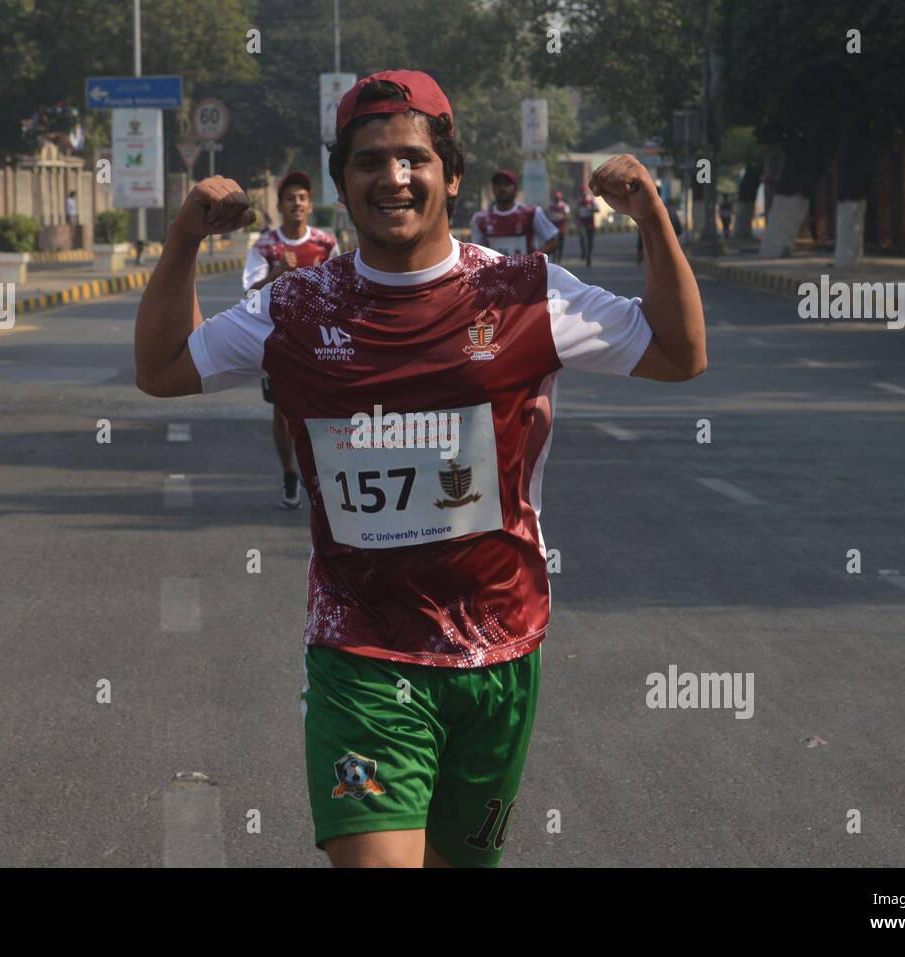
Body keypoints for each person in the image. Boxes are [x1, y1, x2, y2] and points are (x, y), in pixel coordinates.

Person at [134, 69, 706, 868]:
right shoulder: (298, 309)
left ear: (451, 174)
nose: (393, 177)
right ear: (342, 184)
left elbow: (681, 352)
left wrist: (651, 217)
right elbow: (161, 366)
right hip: (360, 652)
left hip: (498, 654)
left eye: (413, 158)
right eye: (369, 162)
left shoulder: (522, 294)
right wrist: (185, 237)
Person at [241, 170, 341, 508]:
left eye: (302, 198)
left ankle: (323, 476)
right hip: (280, 340)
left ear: (309, 205)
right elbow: (250, 296)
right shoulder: (266, 245)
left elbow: (342, 288)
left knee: (325, 410)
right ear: (280, 205)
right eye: (289, 198)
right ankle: (289, 473)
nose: (296, 203)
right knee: (283, 412)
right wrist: (277, 273)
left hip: (321, 343)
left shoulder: (326, 244)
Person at [468, 170, 560, 260]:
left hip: (524, 273)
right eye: (498, 185)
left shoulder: (532, 213)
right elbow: (476, 251)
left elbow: (553, 241)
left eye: (507, 184)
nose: (502, 188)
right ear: (493, 189)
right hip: (495, 274)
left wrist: (533, 259)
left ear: (515, 188)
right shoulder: (480, 219)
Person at [574, 186, 598, 266]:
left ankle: (589, 254)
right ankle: (585, 253)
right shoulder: (579, 201)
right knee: (583, 239)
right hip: (582, 224)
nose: (583, 193)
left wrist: (590, 208)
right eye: (582, 192)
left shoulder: (591, 200)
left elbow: (597, 209)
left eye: (584, 191)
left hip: (590, 223)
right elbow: (576, 212)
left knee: (590, 240)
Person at [545, 190, 571, 263]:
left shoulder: (564, 205)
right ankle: (555, 257)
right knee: (554, 243)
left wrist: (562, 217)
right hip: (553, 229)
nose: (557, 199)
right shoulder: (551, 206)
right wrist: (551, 217)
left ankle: (559, 257)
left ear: (561, 198)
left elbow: (568, 216)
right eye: (556, 198)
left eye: (558, 198)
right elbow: (547, 214)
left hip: (562, 227)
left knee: (561, 243)